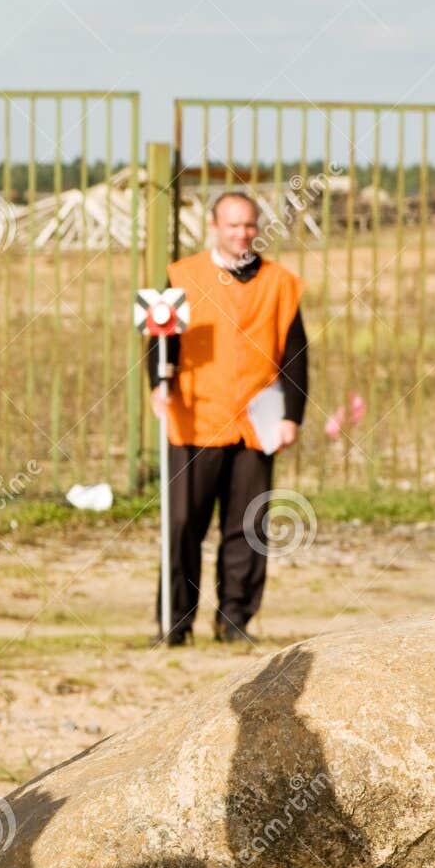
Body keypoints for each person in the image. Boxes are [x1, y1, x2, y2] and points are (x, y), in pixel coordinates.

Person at [148, 191, 307, 646]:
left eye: (250, 225)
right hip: (194, 418)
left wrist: (292, 415)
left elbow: (296, 352)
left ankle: (234, 619)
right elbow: (162, 340)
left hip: (257, 423)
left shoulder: (281, 283)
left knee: (248, 525)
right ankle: (174, 623)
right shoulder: (181, 277)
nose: (243, 233)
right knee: (183, 525)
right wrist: (160, 383)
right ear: (215, 227)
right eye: (234, 225)